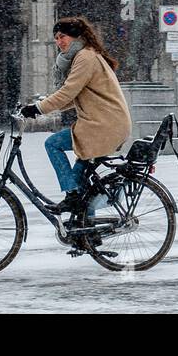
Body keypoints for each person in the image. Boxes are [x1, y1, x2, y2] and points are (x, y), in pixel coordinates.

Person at [21, 17, 132, 216]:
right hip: (106, 124)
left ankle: (71, 195)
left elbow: (68, 92)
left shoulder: (85, 57)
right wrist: (42, 106)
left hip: (102, 126)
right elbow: (71, 98)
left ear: (75, 36)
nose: (58, 42)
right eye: (55, 38)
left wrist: (37, 108)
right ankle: (87, 235)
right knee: (82, 184)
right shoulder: (87, 54)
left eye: (62, 36)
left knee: (52, 144)